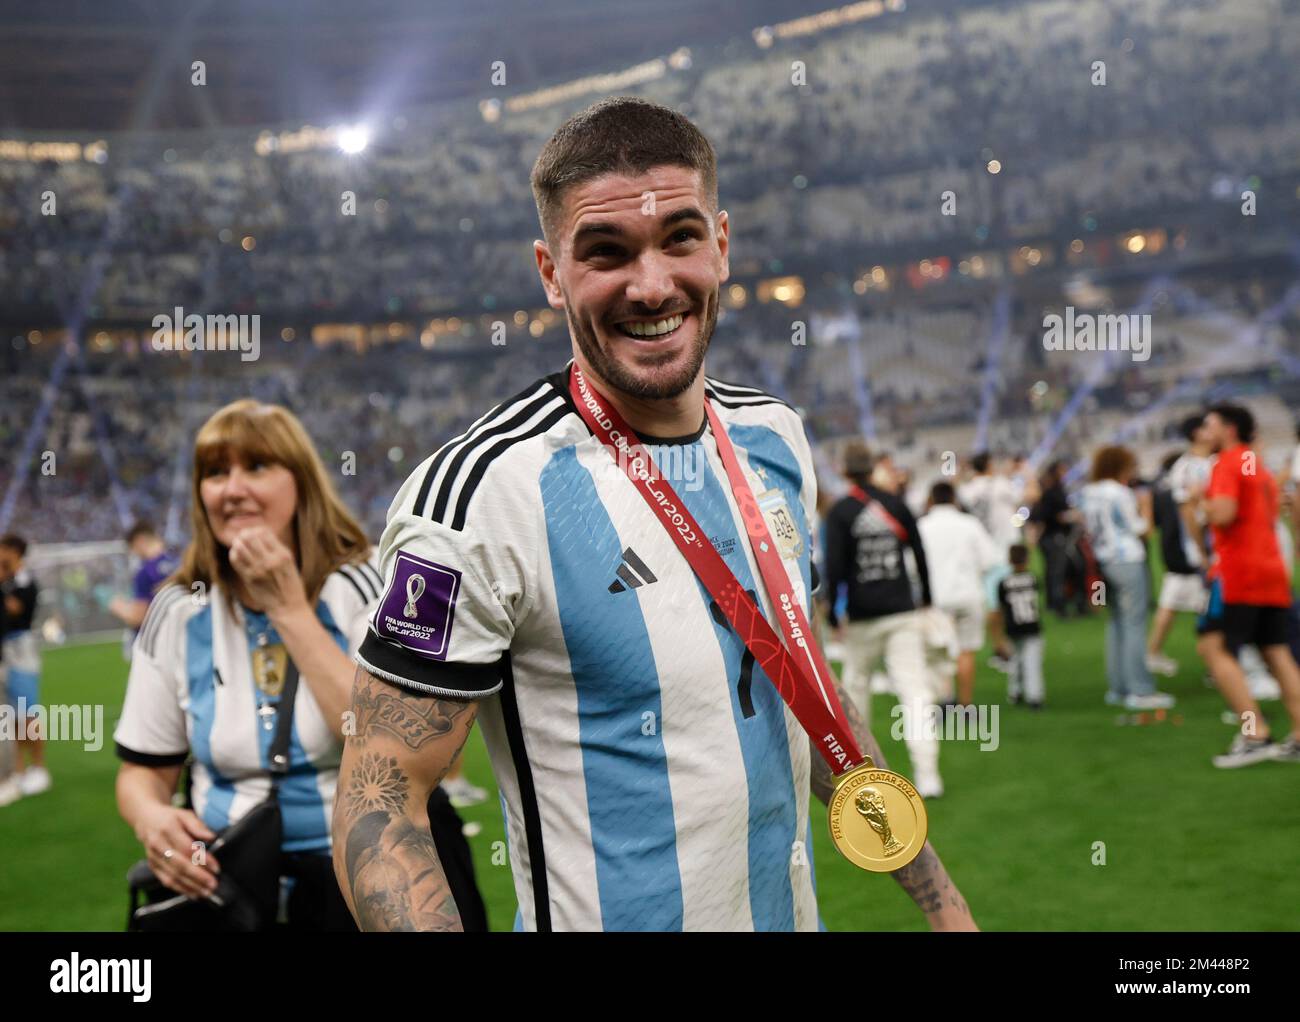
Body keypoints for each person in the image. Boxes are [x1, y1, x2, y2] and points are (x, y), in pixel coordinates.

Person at [332, 97, 975, 931]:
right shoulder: (482, 496)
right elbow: (380, 807)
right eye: (606, 252)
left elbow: (800, 680)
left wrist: (943, 902)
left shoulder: (775, 440)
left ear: (722, 244)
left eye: (680, 236)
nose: (652, 285)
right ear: (550, 272)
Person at [114, 400, 383, 929]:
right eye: (215, 473)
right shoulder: (178, 609)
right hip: (228, 882)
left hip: (363, 878)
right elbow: (143, 770)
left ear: (301, 482)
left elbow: (381, 745)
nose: (232, 489)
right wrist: (152, 818)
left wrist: (288, 608)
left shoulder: (365, 580)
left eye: (256, 467)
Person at [825, 444, 944, 798]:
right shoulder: (894, 503)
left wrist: (834, 613)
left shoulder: (841, 511)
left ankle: (860, 771)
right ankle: (928, 775)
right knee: (914, 692)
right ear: (873, 468)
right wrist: (926, 598)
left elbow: (835, 567)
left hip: (862, 616)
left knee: (857, 690)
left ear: (844, 470)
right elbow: (919, 549)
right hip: (901, 610)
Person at [1198, 403, 1300, 767]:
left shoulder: (1227, 463)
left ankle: (1253, 731)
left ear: (1228, 429)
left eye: (1208, 425)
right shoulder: (1258, 465)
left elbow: (1224, 512)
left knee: (1214, 647)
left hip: (1239, 573)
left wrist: (1202, 503)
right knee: (1276, 649)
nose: (1203, 432)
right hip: (1271, 569)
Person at [1079, 446, 1174, 710]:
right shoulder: (1119, 493)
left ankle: (1119, 687)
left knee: (1117, 623)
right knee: (1134, 624)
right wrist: (1146, 508)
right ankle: (1140, 690)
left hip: (1102, 560)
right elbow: (1140, 529)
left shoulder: (1089, 492)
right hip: (1126, 559)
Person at [918, 481, 1001, 707]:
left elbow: (911, 565)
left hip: (935, 598)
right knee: (966, 651)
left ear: (931, 500)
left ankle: (944, 701)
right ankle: (965, 705)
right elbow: (990, 560)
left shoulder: (922, 526)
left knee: (940, 653)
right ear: (954, 499)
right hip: (967, 594)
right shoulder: (969, 524)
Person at [1146, 415, 1213, 677]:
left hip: (1200, 549)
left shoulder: (1213, 462)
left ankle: (1215, 661)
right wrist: (1201, 550)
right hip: (1195, 550)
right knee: (1200, 605)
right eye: (1206, 426)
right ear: (1197, 432)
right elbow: (1187, 512)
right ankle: (1216, 663)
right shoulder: (1186, 467)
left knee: (1196, 605)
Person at [959, 453, 1021, 670]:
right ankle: (1005, 649)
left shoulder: (967, 489)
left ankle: (1000, 646)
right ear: (988, 465)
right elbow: (1027, 496)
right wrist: (1020, 472)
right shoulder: (1001, 484)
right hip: (1004, 550)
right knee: (1007, 602)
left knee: (993, 602)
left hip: (981, 553)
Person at [0, 534, 47, 796]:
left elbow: (16, 609)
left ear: (14, 552)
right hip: (7, 649)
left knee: (28, 712)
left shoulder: (22, 580)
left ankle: (39, 768)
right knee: (12, 716)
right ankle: (18, 769)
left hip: (21, 649)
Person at [109, 520, 180, 638]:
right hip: (182, 635)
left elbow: (139, 618)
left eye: (133, 547)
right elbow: (199, 594)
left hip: (159, 640)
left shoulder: (145, 572)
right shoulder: (181, 561)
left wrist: (119, 607)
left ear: (140, 540)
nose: (134, 553)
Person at [1030, 459, 1084, 616]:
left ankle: (1057, 602)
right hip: (1054, 536)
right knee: (1057, 571)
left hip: (1054, 537)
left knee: (1057, 570)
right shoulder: (1052, 493)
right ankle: (1059, 605)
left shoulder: (1054, 491)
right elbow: (1051, 516)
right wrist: (1072, 516)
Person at [998, 545, 1045, 708]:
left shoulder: (1003, 582)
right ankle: (1034, 696)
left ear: (1009, 560)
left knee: (1015, 660)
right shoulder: (1032, 578)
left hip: (1012, 627)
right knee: (1032, 661)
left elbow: (1001, 609)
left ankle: (1015, 692)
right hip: (1031, 626)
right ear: (1027, 559)